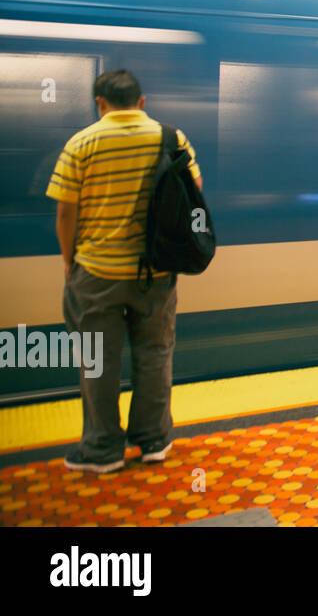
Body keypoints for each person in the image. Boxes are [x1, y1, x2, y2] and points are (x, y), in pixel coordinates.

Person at [45, 70, 202, 473]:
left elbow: (65, 210)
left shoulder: (82, 143)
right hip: (155, 272)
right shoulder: (172, 138)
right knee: (155, 353)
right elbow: (194, 192)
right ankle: (152, 440)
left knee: (98, 360)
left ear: (100, 103)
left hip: (96, 273)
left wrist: (69, 260)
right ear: (142, 102)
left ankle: (103, 449)